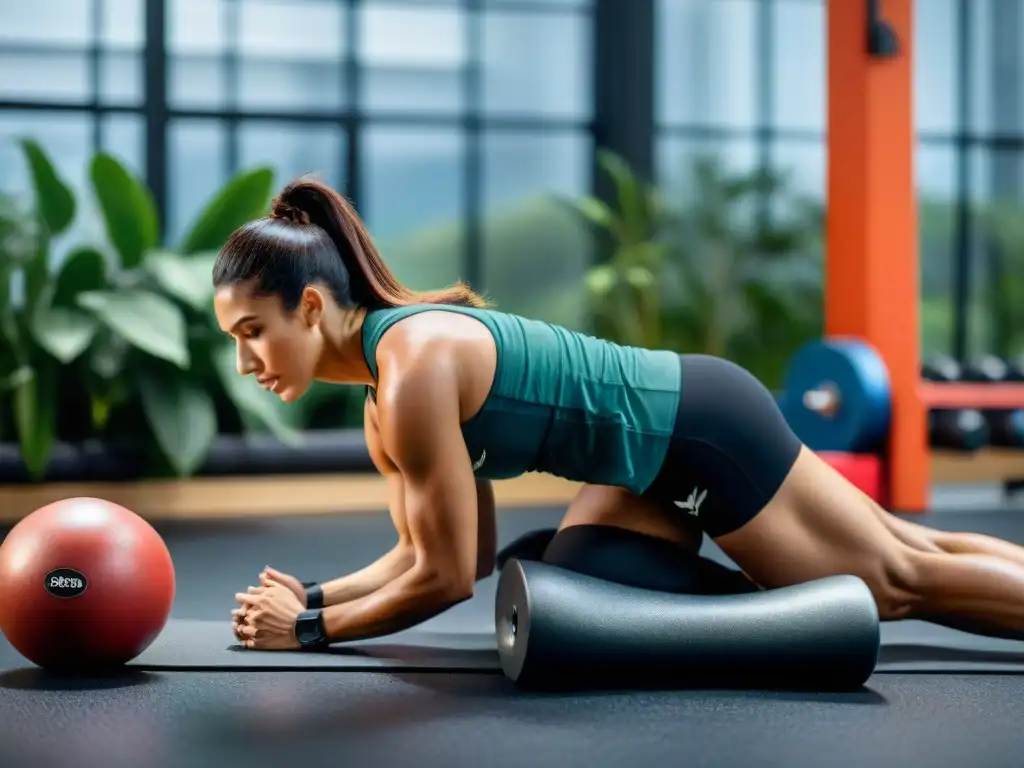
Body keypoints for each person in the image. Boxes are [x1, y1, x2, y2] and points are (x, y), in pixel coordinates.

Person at [216, 175, 1024, 652]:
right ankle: (772, 584)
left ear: (312, 306)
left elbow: (447, 577)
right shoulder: (380, 394)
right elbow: (423, 551)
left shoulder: (412, 371)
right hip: (651, 456)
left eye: (255, 332)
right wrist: (314, 596)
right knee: (909, 541)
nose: (247, 362)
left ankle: (780, 585)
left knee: (894, 580)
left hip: (698, 434)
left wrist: (310, 633)